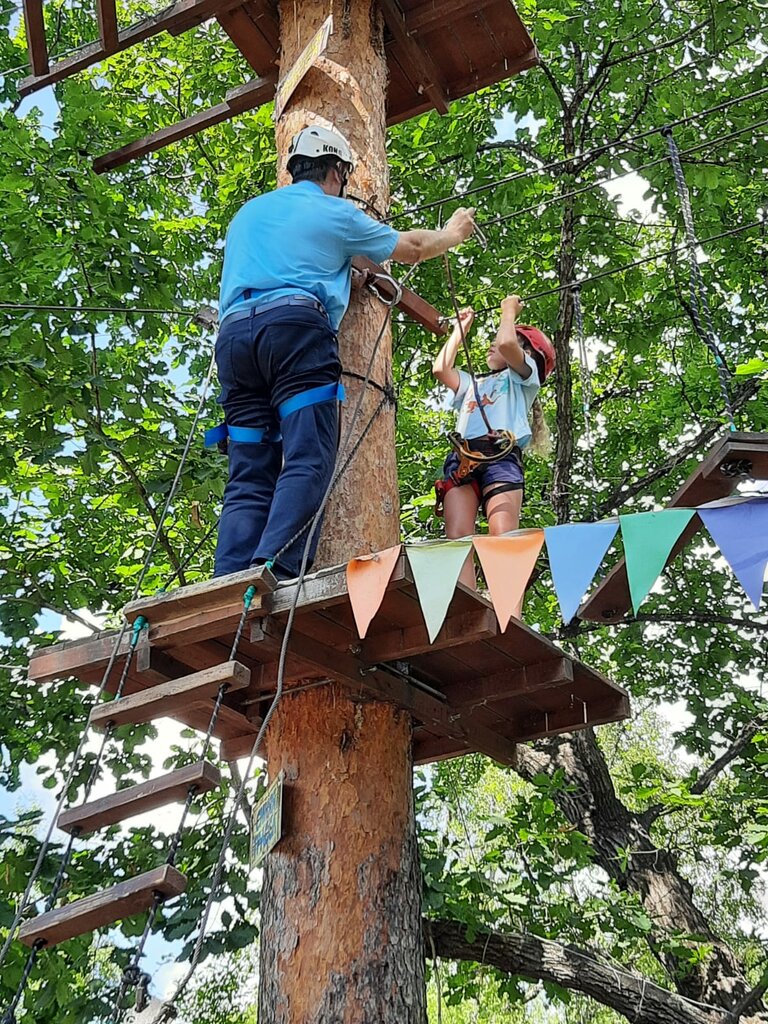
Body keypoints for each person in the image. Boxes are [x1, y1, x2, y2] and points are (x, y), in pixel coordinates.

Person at [210, 124, 476, 580]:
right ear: (336, 171)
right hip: (294, 332)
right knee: (307, 456)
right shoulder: (335, 213)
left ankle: (229, 578)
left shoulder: (247, 214)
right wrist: (453, 233)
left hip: (234, 339)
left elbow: (289, 260)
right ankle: (274, 569)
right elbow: (412, 247)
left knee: (249, 469)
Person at [432, 294, 555, 595]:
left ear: (527, 353)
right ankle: (465, 607)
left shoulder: (525, 378)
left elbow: (506, 344)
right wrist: (459, 331)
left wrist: (508, 311)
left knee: (503, 537)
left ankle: (508, 611)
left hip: (500, 456)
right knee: (457, 539)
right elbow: (441, 370)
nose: (492, 345)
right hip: (463, 458)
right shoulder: (474, 384)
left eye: (496, 342)